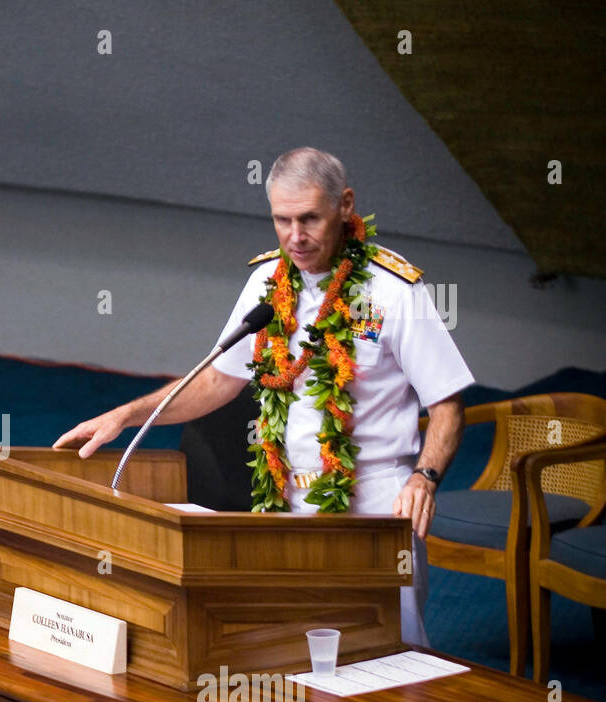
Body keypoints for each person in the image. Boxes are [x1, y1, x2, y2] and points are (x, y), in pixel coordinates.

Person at [53, 147, 473, 646]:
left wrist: (424, 478)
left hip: (375, 507)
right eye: (282, 219)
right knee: (292, 647)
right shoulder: (266, 283)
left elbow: (447, 403)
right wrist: (128, 414)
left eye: (310, 218)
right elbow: (216, 381)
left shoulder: (394, 292)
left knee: (390, 651)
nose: (296, 236)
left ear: (346, 205)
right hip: (282, 502)